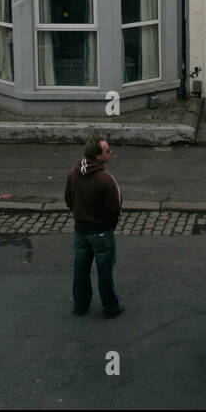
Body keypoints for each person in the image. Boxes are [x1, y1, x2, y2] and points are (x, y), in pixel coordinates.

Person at [64, 136, 123, 318]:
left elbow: (68, 200)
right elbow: (115, 208)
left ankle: (80, 305)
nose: (110, 152)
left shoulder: (73, 174)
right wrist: (108, 226)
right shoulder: (105, 180)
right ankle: (110, 307)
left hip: (80, 231)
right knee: (104, 272)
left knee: (81, 270)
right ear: (98, 157)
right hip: (101, 232)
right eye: (107, 151)